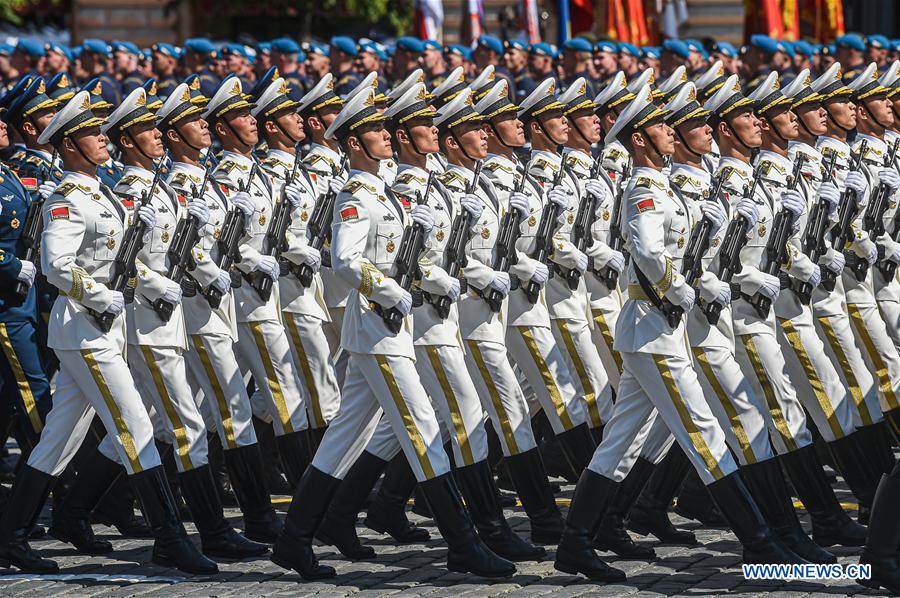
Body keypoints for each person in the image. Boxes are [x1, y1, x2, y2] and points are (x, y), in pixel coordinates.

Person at [553, 84, 803, 584]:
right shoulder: (643, 187)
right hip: (654, 329)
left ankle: (575, 542)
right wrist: (675, 286)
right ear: (640, 140)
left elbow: (685, 253)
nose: (672, 131)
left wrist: (701, 277)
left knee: (620, 443)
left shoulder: (664, 186)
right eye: (662, 125)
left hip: (659, 330)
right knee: (704, 432)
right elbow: (647, 253)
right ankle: (762, 544)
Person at [269, 87, 514, 581]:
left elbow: (401, 258)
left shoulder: (382, 190)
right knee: (423, 429)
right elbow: (345, 258)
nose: (386, 134)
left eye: (386, 128)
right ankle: (464, 544)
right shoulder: (357, 193)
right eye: (376, 130)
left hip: (389, 327)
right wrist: (385, 291)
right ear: (355, 144)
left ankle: (294, 539)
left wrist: (422, 270)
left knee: (343, 438)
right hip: (379, 328)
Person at [0, 90, 209, 575]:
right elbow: (56, 265)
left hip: (104, 329)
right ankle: (170, 539)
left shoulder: (100, 191)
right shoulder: (67, 197)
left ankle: (11, 536)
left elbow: (117, 260)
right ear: (70, 145)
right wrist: (97, 295)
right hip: (85, 330)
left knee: (60, 438)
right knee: (135, 425)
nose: (102, 139)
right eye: (92, 134)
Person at [160, 82, 283, 543]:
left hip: (216, 305)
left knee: (164, 417)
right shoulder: (179, 183)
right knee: (232, 405)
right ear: (175, 135)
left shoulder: (206, 178)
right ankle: (256, 517)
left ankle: (81, 506)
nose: (204, 127)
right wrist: (211, 270)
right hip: (196, 307)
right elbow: (177, 246)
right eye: (194, 122)